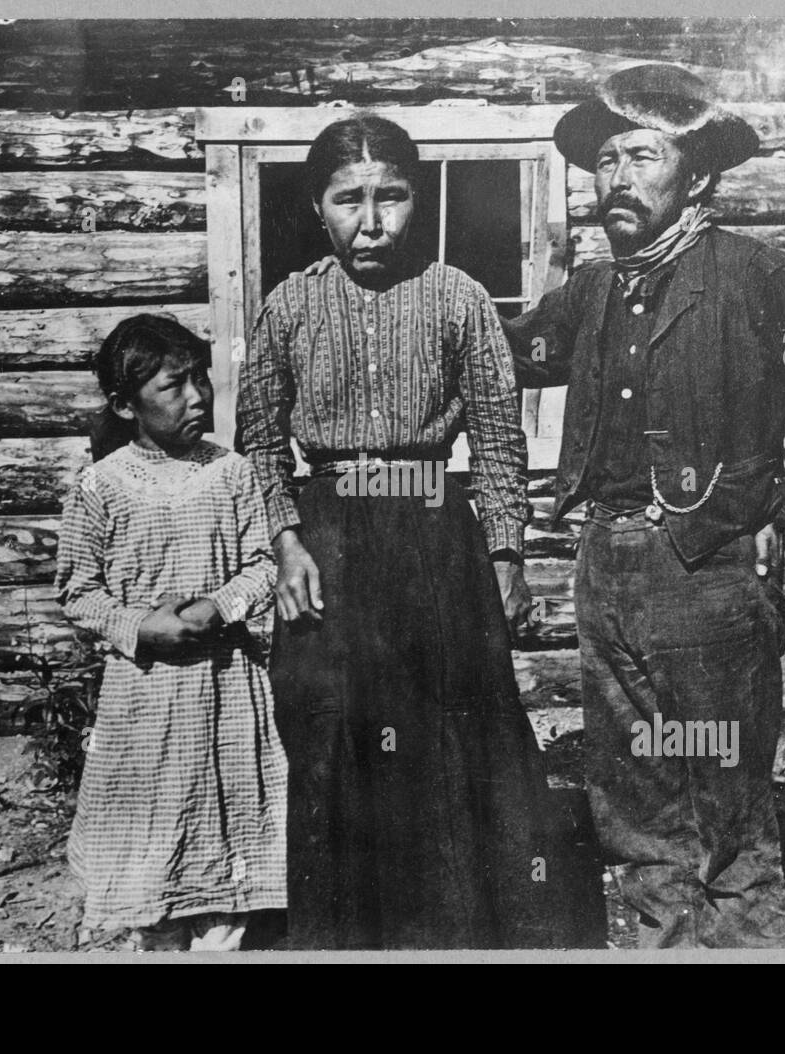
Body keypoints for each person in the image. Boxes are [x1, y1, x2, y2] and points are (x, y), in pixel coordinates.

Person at [504, 64, 785, 947]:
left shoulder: (758, 280)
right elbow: (512, 350)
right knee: (637, 807)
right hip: (605, 568)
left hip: (712, 580)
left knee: (725, 813)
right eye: (605, 160)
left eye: (642, 155)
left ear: (698, 175)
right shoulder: (594, 291)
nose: (617, 179)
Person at [237, 114, 577, 949]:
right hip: (328, 544)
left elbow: (499, 435)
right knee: (331, 740)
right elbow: (258, 437)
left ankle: (457, 934)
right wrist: (285, 542)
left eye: (391, 197)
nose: (372, 220)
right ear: (319, 208)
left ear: (416, 200)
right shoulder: (289, 305)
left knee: (452, 742)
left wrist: (504, 553)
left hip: (434, 536)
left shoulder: (458, 297)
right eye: (350, 199)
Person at [57, 314, 287, 951]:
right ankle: (159, 935)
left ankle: (220, 933)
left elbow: (265, 565)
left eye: (200, 379)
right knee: (151, 848)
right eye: (172, 386)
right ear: (124, 405)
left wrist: (218, 606)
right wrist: (141, 627)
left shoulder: (233, 473)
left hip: (228, 694)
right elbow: (78, 592)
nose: (196, 397)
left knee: (228, 842)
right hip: (145, 702)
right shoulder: (101, 487)